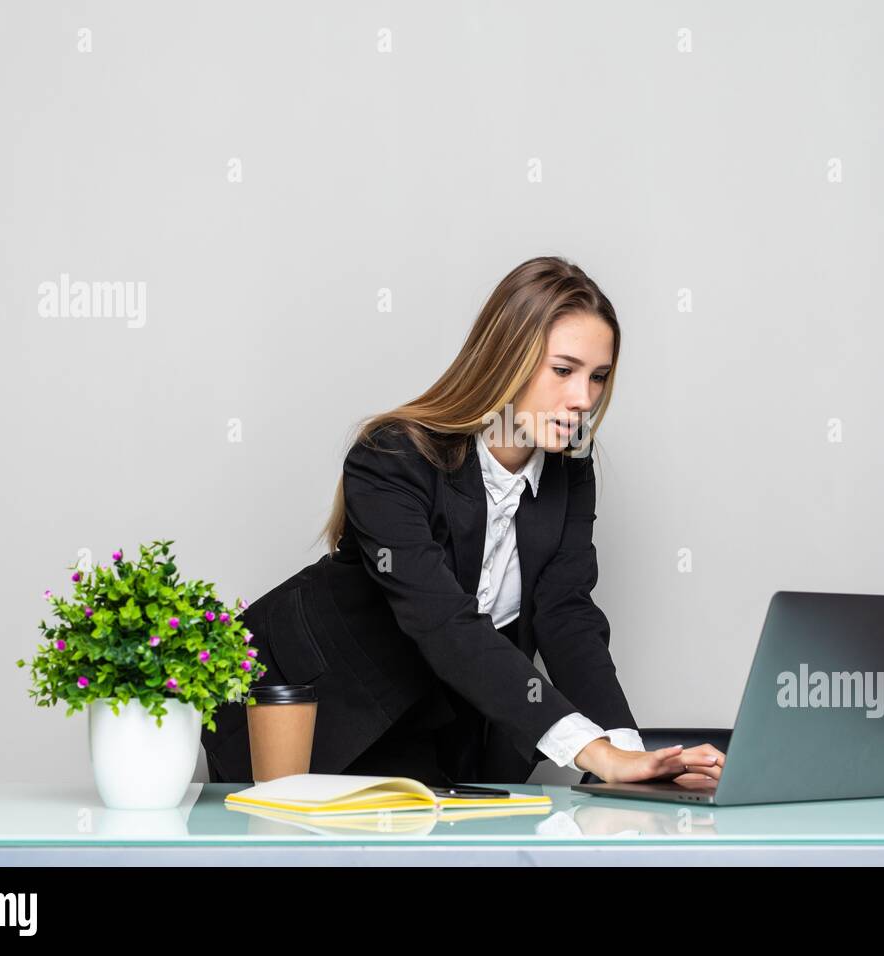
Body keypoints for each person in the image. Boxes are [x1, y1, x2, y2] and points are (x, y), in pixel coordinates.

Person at [202, 255, 725, 786]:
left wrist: (633, 756)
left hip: (445, 725)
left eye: (598, 377)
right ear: (506, 360)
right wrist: (592, 751)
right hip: (315, 709)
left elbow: (567, 617)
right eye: (563, 370)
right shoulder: (390, 457)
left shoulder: (570, 471)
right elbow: (441, 620)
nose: (582, 399)